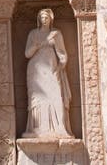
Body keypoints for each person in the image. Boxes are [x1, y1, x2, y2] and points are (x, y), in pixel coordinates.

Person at [23, 8, 73, 138]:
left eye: (46, 17)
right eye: (42, 18)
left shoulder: (56, 34)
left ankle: (59, 128)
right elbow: (27, 53)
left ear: (51, 19)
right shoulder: (33, 34)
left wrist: (61, 67)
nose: (44, 20)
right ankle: (37, 129)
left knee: (55, 96)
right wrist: (36, 45)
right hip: (36, 70)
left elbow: (62, 54)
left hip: (51, 69)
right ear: (38, 19)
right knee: (37, 98)